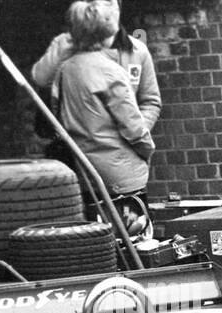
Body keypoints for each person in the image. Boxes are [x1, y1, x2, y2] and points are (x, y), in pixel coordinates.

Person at [55, 1, 155, 203]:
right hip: (122, 178)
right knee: (134, 233)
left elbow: (58, 117)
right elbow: (134, 128)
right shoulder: (111, 71)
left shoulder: (65, 69)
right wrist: (147, 150)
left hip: (85, 173)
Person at [31, 0, 161, 135]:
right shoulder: (66, 43)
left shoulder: (137, 50)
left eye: (108, 2)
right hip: (76, 145)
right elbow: (40, 78)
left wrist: (137, 134)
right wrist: (70, 45)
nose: (101, 6)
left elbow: (150, 102)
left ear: (118, 7)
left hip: (123, 147)